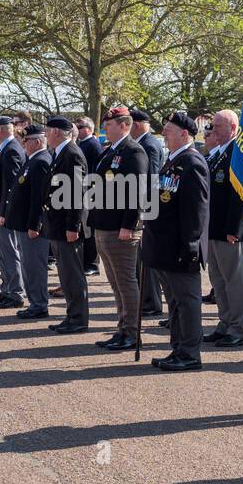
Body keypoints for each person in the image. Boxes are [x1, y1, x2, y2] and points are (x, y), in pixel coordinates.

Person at [143, 112, 211, 371]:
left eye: (169, 130)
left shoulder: (192, 162)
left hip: (180, 246)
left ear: (184, 134)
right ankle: (178, 348)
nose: (164, 134)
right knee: (174, 301)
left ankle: (190, 353)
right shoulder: (173, 161)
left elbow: (197, 209)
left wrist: (191, 244)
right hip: (164, 245)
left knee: (187, 301)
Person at [89, 105, 149, 351]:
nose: (106, 130)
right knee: (115, 283)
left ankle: (132, 333)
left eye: (109, 126)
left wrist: (129, 224)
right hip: (104, 225)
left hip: (120, 228)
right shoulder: (111, 151)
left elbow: (138, 191)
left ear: (125, 125)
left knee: (125, 282)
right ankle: (122, 328)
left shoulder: (133, 151)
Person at [203, 109, 243, 348]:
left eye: (219, 126)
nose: (214, 131)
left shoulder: (239, 152)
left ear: (233, 128)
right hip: (214, 228)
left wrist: (235, 228)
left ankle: (239, 328)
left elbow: (242, 196)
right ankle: (225, 323)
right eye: (213, 126)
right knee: (218, 280)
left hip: (231, 231)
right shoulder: (217, 154)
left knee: (235, 280)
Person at [42, 116, 90, 333]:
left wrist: (73, 226)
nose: (45, 134)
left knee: (73, 275)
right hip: (58, 223)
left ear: (56, 132)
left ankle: (78, 319)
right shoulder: (61, 153)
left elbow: (76, 193)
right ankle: (72, 315)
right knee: (65, 274)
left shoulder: (71, 154)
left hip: (66, 226)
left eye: (47, 130)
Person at [8, 124, 54, 319]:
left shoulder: (41, 161)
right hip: (23, 223)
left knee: (34, 266)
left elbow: (38, 198)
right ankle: (35, 302)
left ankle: (39, 304)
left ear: (37, 141)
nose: (23, 143)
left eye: (26, 140)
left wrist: (34, 225)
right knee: (29, 265)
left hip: (32, 226)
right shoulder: (32, 160)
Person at [0, 116, 27, 309]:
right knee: (1, 253)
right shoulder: (3, 150)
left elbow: (11, 187)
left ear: (0, 130)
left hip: (3, 212)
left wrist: (5, 212)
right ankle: (7, 289)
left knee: (9, 251)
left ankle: (16, 292)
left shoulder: (11, 151)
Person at [131, 109, 166, 317]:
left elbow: (151, 179)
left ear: (135, 125)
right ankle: (147, 300)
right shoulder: (145, 143)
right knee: (141, 258)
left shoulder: (149, 144)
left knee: (146, 259)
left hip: (147, 207)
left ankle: (151, 302)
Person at [75, 117, 104, 275]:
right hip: (85, 190)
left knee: (89, 229)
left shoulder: (92, 144)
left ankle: (92, 263)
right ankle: (87, 261)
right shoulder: (83, 143)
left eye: (80, 126)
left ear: (88, 128)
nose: (77, 129)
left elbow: (96, 169)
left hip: (90, 191)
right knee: (85, 228)